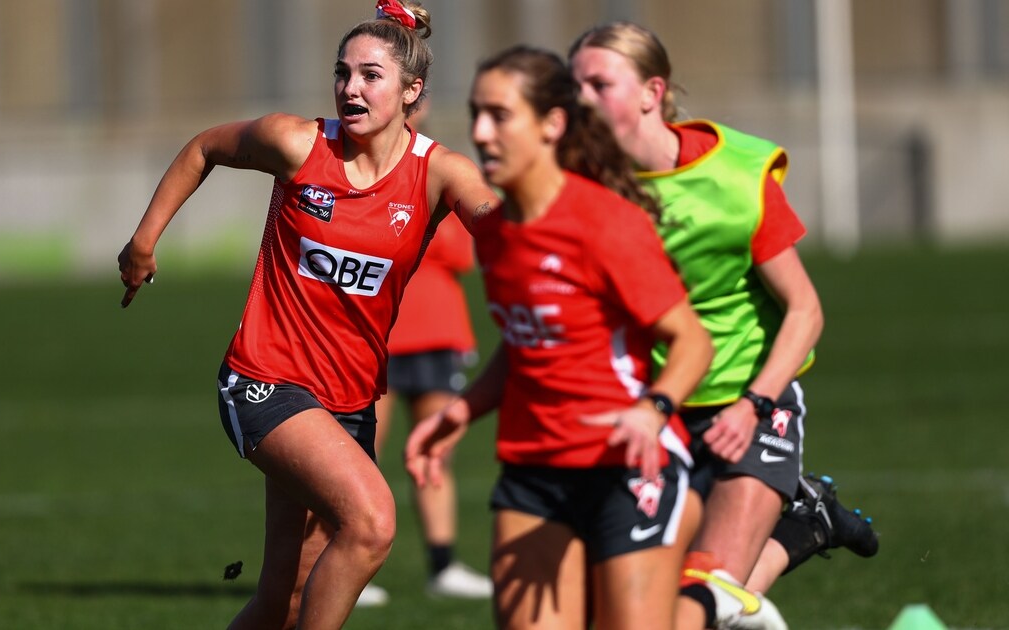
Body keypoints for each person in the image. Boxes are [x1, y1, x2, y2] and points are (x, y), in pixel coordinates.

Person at [116, 2, 499, 628]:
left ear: (411, 91)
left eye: (371, 76)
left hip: (347, 401)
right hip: (263, 381)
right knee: (373, 522)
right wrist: (143, 241)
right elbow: (205, 148)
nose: (351, 88)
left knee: (283, 601)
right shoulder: (298, 143)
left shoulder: (437, 173)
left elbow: (497, 223)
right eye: (342, 73)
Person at [569, 21, 878, 627]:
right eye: (573, 82)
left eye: (598, 83)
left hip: (749, 399)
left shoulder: (735, 177)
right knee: (647, 604)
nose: (580, 98)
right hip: (659, 411)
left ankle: (796, 524)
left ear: (650, 93)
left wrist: (753, 405)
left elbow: (805, 310)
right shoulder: (582, 186)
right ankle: (807, 524)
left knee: (697, 600)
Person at [405, 45, 716, 629]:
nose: (480, 132)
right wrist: (461, 411)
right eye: (475, 114)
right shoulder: (494, 233)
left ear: (552, 124)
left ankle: (709, 609)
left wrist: (652, 410)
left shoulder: (605, 223)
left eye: (500, 115)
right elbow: (527, 344)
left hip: (628, 465)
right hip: (534, 472)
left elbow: (691, 342)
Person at [362, 161, 493, 604]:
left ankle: (443, 565)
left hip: (439, 330)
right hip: (380, 332)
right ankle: (344, 562)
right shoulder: (365, 174)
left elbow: (462, 252)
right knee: (359, 454)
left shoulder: (447, 171)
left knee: (436, 451)